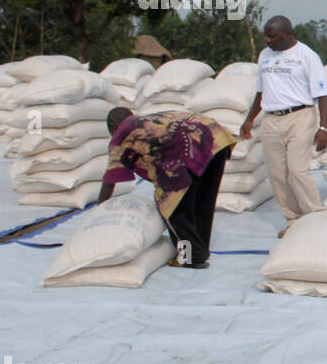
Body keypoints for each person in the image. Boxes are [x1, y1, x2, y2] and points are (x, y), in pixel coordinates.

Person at [97, 107, 235, 269]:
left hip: (184, 153)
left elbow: (109, 180)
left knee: (172, 207)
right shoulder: (152, 119)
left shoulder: (121, 135)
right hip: (216, 139)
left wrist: (99, 209)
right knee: (202, 201)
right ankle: (200, 250)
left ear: (113, 126)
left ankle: (190, 257)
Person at [238, 15, 327, 237]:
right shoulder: (265, 56)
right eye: (266, 36)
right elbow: (261, 92)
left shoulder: (307, 56)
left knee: (297, 170)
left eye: (273, 36)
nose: (268, 40)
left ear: (288, 34)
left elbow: (323, 95)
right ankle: (293, 219)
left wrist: (324, 127)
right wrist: (250, 119)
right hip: (271, 120)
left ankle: (315, 217)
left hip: (300, 116)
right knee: (277, 174)